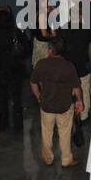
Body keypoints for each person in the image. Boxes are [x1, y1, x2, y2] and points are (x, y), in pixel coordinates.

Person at [30, 37, 83, 168]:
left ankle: (48, 158)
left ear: (49, 50)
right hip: (64, 106)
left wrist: (38, 96)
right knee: (65, 134)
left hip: (46, 105)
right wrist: (79, 101)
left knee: (46, 133)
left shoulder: (41, 64)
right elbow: (76, 87)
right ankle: (66, 159)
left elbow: (33, 82)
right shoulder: (68, 66)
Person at [0, 6, 25, 134]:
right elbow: (25, 49)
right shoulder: (15, 32)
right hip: (15, 68)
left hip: (0, 69)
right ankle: (18, 125)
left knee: (2, 98)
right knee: (17, 98)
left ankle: (3, 124)